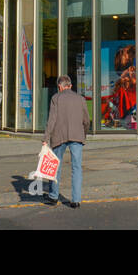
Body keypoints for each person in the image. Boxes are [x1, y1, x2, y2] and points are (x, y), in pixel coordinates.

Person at [42, 74, 89, 208]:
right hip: (77, 136)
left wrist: (46, 138)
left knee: (56, 166)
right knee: (77, 167)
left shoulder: (56, 98)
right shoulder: (80, 99)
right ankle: (76, 200)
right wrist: (83, 135)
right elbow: (86, 120)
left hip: (59, 136)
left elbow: (51, 120)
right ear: (71, 86)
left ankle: (53, 196)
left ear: (59, 87)